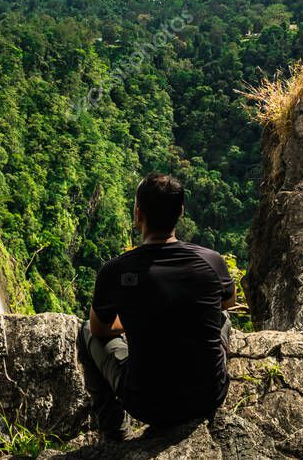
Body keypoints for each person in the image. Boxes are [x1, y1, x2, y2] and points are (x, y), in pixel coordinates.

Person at [77, 173, 236, 441]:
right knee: (223, 318)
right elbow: (226, 302)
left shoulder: (116, 271)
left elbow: (99, 328)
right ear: (181, 212)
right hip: (209, 396)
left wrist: (139, 319)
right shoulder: (211, 261)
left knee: (86, 332)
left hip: (146, 404)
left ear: (138, 214)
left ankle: (114, 434)